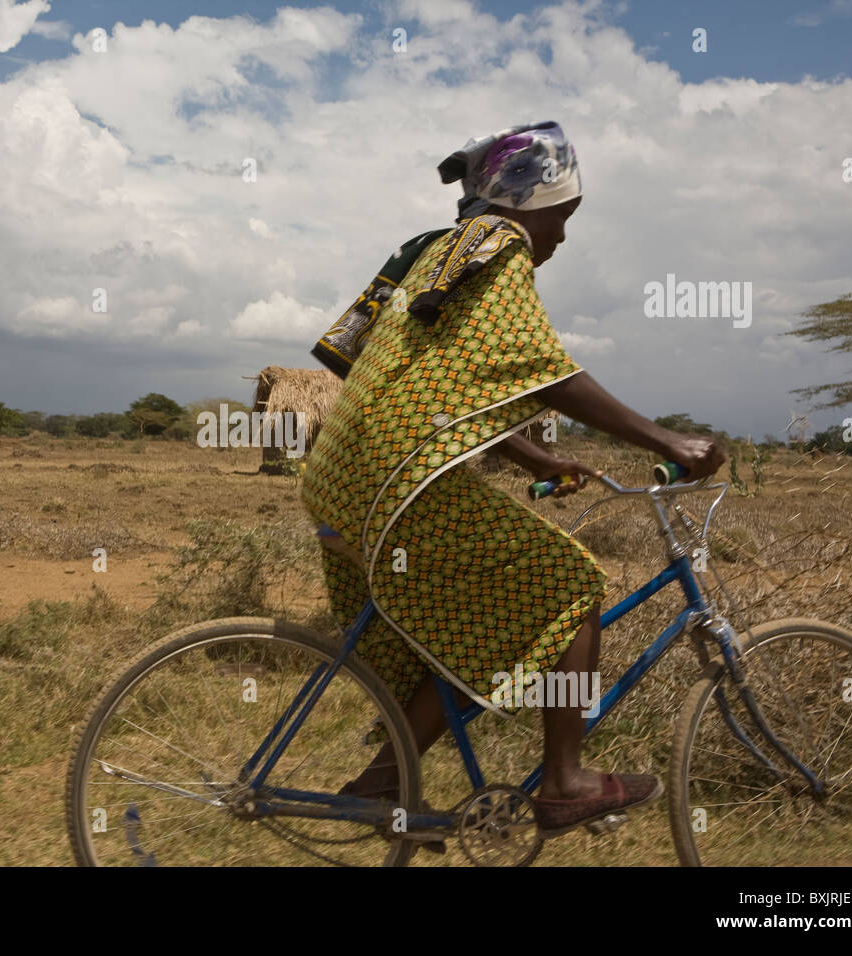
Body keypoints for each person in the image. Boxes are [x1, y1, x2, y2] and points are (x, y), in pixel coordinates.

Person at [302, 121, 727, 838]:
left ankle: (379, 788)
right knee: (571, 585)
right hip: (398, 485)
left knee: (467, 630)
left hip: (343, 477)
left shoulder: (437, 253)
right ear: (530, 204)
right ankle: (565, 782)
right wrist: (668, 439)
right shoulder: (500, 249)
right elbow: (545, 371)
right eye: (562, 213)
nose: (562, 233)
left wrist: (534, 458)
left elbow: (442, 379)